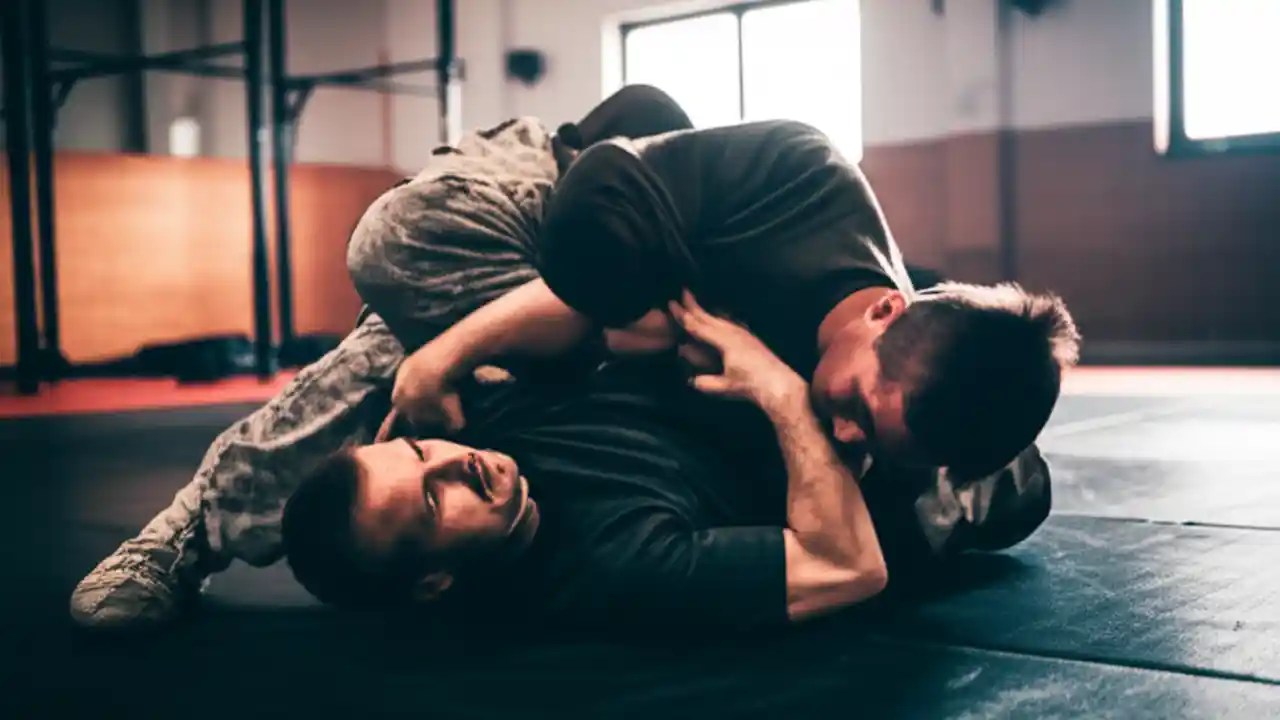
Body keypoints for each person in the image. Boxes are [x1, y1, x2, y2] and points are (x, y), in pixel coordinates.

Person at [70, 85, 1073, 633]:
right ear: (882, 310)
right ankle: (190, 530)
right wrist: (439, 361)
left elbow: (849, 556)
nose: (841, 430)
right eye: (850, 405)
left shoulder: (845, 420)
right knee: (394, 292)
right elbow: (587, 288)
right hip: (552, 204)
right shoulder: (798, 181)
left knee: (970, 514)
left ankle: (980, 480)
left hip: (635, 310)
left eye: (870, 436)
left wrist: (780, 396)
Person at [282, 293, 891, 632]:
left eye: (420, 453)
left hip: (748, 315)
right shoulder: (617, 567)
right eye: (433, 500)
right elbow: (850, 567)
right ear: (434, 580)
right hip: (864, 447)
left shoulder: (484, 423)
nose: (455, 463)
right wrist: (777, 390)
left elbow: (583, 296)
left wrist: (441, 357)